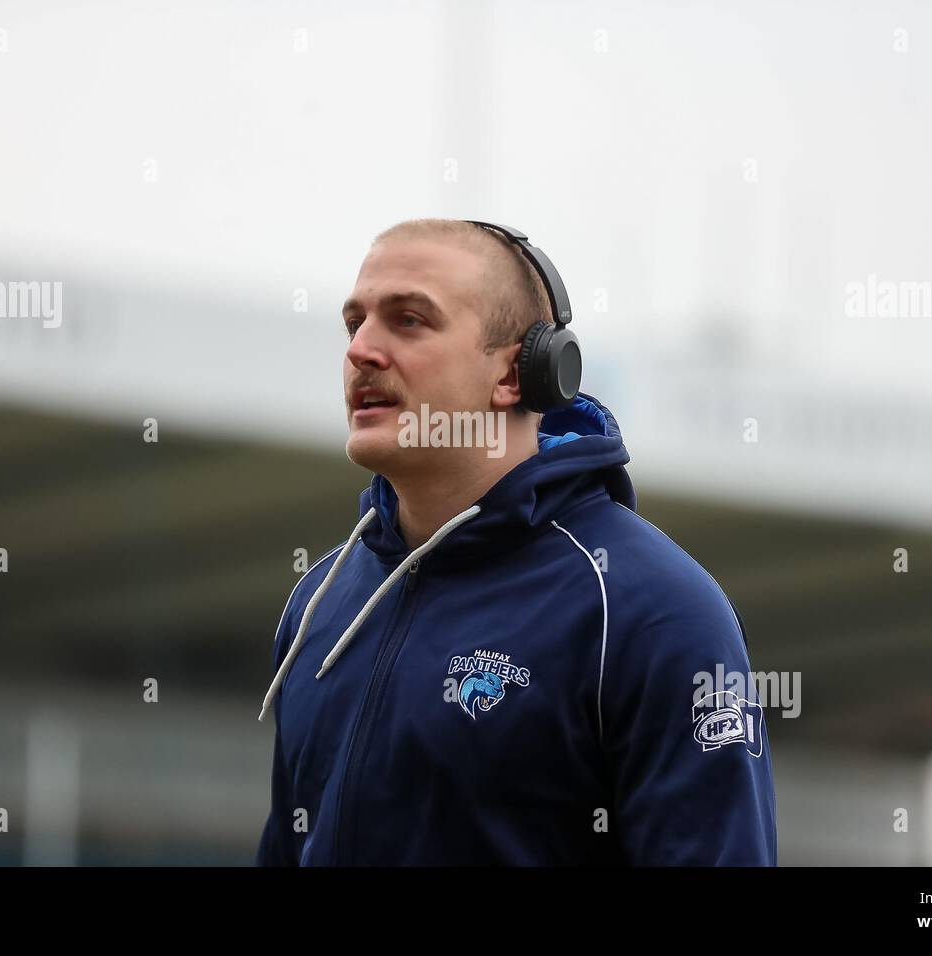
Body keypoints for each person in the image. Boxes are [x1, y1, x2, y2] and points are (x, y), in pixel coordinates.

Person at [255, 218, 776, 865]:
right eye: (353, 323)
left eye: (409, 320)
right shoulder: (320, 603)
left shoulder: (652, 610)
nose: (362, 349)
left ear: (518, 371)